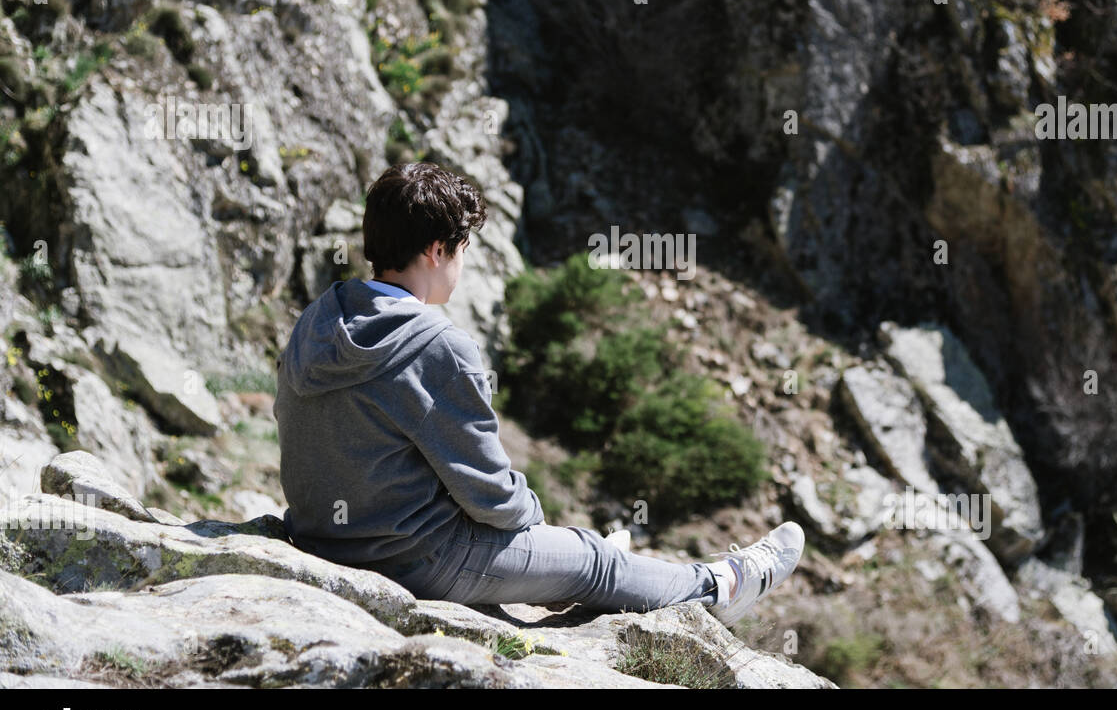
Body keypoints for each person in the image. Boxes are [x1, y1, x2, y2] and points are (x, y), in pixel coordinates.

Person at [275, 161, 805, 625]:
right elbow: (492, 497)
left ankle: (581, 560)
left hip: (322, 536)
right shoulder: (436, 345)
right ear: (437, 251)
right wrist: (544, 537)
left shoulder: (320, 316)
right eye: (461, 250)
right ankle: (724, 585)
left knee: (580, 552)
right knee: (594, 565)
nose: (461, 266)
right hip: (414, 559)